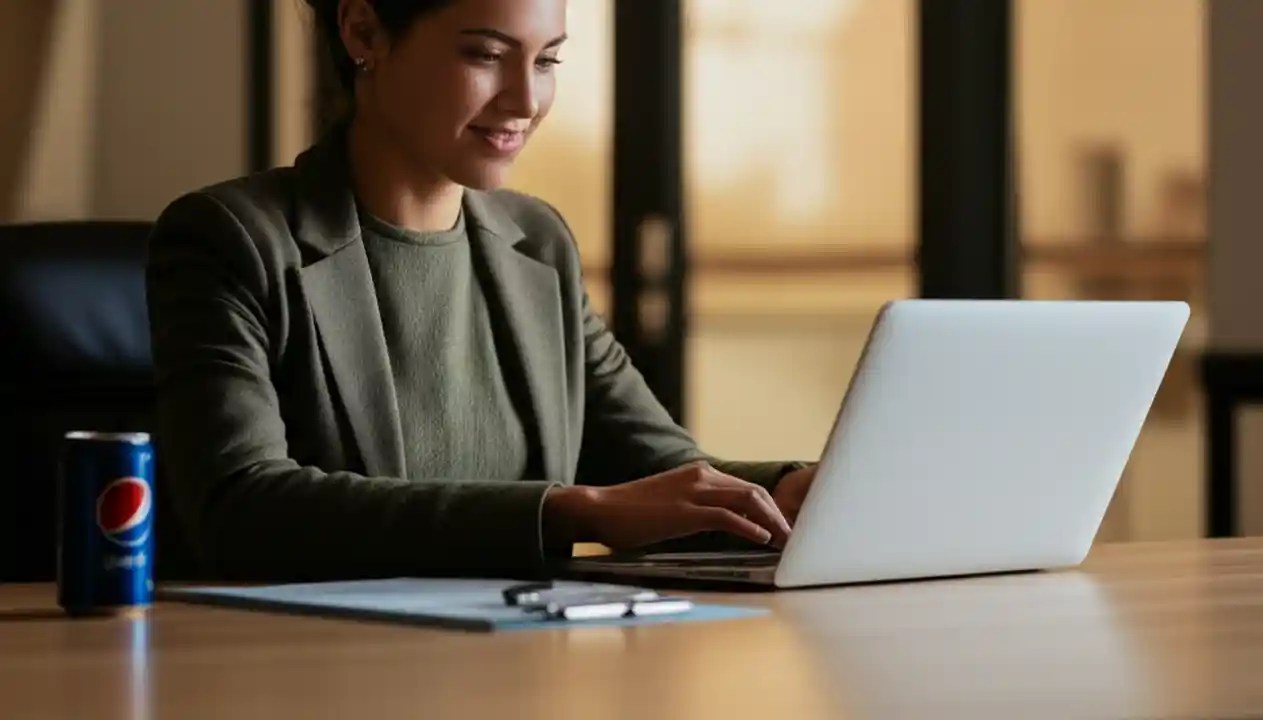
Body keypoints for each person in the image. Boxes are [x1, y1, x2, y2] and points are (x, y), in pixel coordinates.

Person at [147, 0, 817, 581]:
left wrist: (792, 488)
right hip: (328, 669)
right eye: (487, 55)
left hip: (523, 667)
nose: (525, 102)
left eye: (548, 61)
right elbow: (242, 508)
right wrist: (566, 511)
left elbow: (658, 470)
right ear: (363, 33)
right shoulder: (231, 239)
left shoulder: (538, 244)